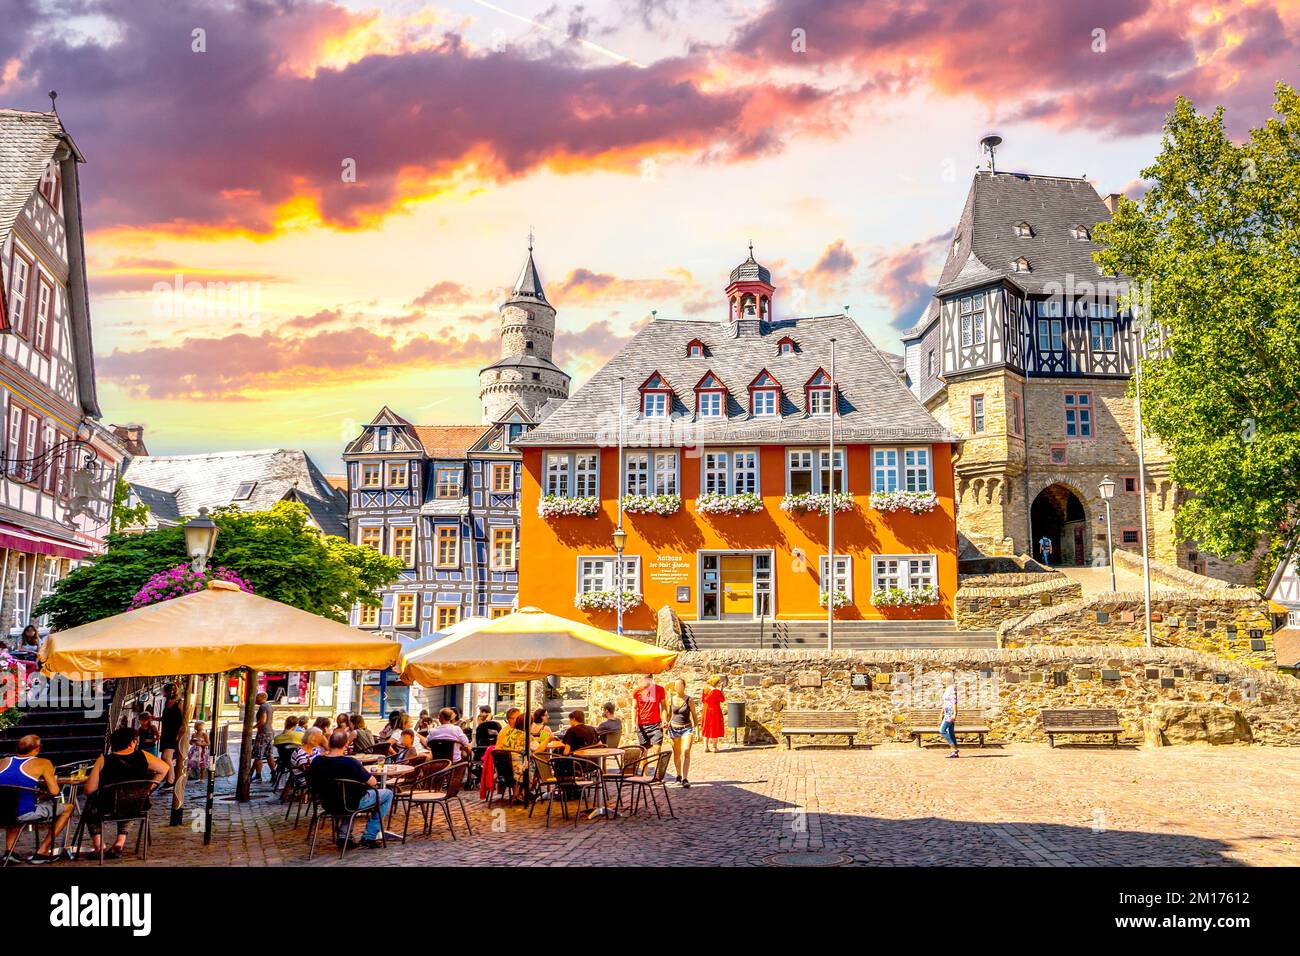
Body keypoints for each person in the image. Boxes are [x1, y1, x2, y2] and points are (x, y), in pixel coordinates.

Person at [81, 726, 169, 859]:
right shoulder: (143, 755)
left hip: (108, 806)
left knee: (91, 804)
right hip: (137, 805)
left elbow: (89, 790)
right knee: (131, 801)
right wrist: (148, 789)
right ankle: (120, 842)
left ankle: (99, 846)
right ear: (132, 742)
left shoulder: (104, 759)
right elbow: (164, 768)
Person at [306, 730, 393, 849]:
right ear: (346, 744)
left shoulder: (317, 761)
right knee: (387, 794)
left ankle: (344, 835)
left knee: (346, 794)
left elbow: (310, 781)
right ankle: (370, 836)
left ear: (329, 743)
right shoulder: (351, 762)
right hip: (351, 802)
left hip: (327, 802)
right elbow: (372, 782)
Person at [1, 734, 77, 862]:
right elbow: (54, 791)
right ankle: (42, 850)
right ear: (37, 749)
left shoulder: (3, 761)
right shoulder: (43, 763)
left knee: (12, 804)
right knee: (68, 807)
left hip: (2, 812)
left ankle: (10, 851)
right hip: (23, 813)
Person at [666, 678, 698, 787]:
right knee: (677, 754)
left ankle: (685, 778)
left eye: (679, 685)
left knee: (686, 751)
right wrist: (666, 723)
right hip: (674, 729)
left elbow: (694, 715)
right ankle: (678, 775)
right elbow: (669, 714)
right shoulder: (671, 699)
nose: (677, 687)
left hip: (687, 728)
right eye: (676, 685)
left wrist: (697, 730)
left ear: (684, 686)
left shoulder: (689, 700)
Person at [628, 673, 668, 756]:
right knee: (644, 753)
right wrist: (633, 724)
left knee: (657, 750)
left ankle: (656, 769)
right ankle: (645, 769)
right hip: (642, 726)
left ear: (651, 679)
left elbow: (664, 706)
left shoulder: (660, 689)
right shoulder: (637, 691)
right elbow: (634, 708)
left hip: (656, 725)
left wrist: (664, 719)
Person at [157, 682, 184, 787]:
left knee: (166, 756)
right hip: (166, 733)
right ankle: (168, 778)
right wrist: (154, 718)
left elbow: (182, 721)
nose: (163, 692)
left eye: (165, 690)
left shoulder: (179, 703)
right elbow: (166, 718)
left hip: (173, 734)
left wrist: (179, 734)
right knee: (164, 758)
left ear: (170, 692)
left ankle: (171, 781)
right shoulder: (167, 702)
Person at [250, 691, 275, 782]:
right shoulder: (270, 706)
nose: (256, 700)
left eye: (257, 697)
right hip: (270, 732)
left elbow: (263, 720)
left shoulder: (263, 707)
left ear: (262, 697)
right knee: (269, 754)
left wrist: (253, 727)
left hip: (262, 733)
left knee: (258, 755)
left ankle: (258, 775)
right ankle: (274, 773)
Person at [701, 676, 726, 752]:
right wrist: (722, 690)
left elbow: (703, 700)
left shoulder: (705, 690)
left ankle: (706, 746)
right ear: (716, 683)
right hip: (715, 711)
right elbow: (722, 699)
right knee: (714, 727)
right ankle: (714, 747)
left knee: (706, 727)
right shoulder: (717, 691)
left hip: (706, 710)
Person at [939, 671, 959, 758]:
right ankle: (954, 753)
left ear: (948, 679)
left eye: (944, 679)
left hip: (950, 713)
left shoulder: (951, 688)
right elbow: (945, 702)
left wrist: (954, 713)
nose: (942, 681)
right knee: (951, 732)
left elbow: (954, 701)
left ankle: (953, 748)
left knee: (942, 730)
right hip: (947, 712)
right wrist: (941, 712)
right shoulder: (947, 689)